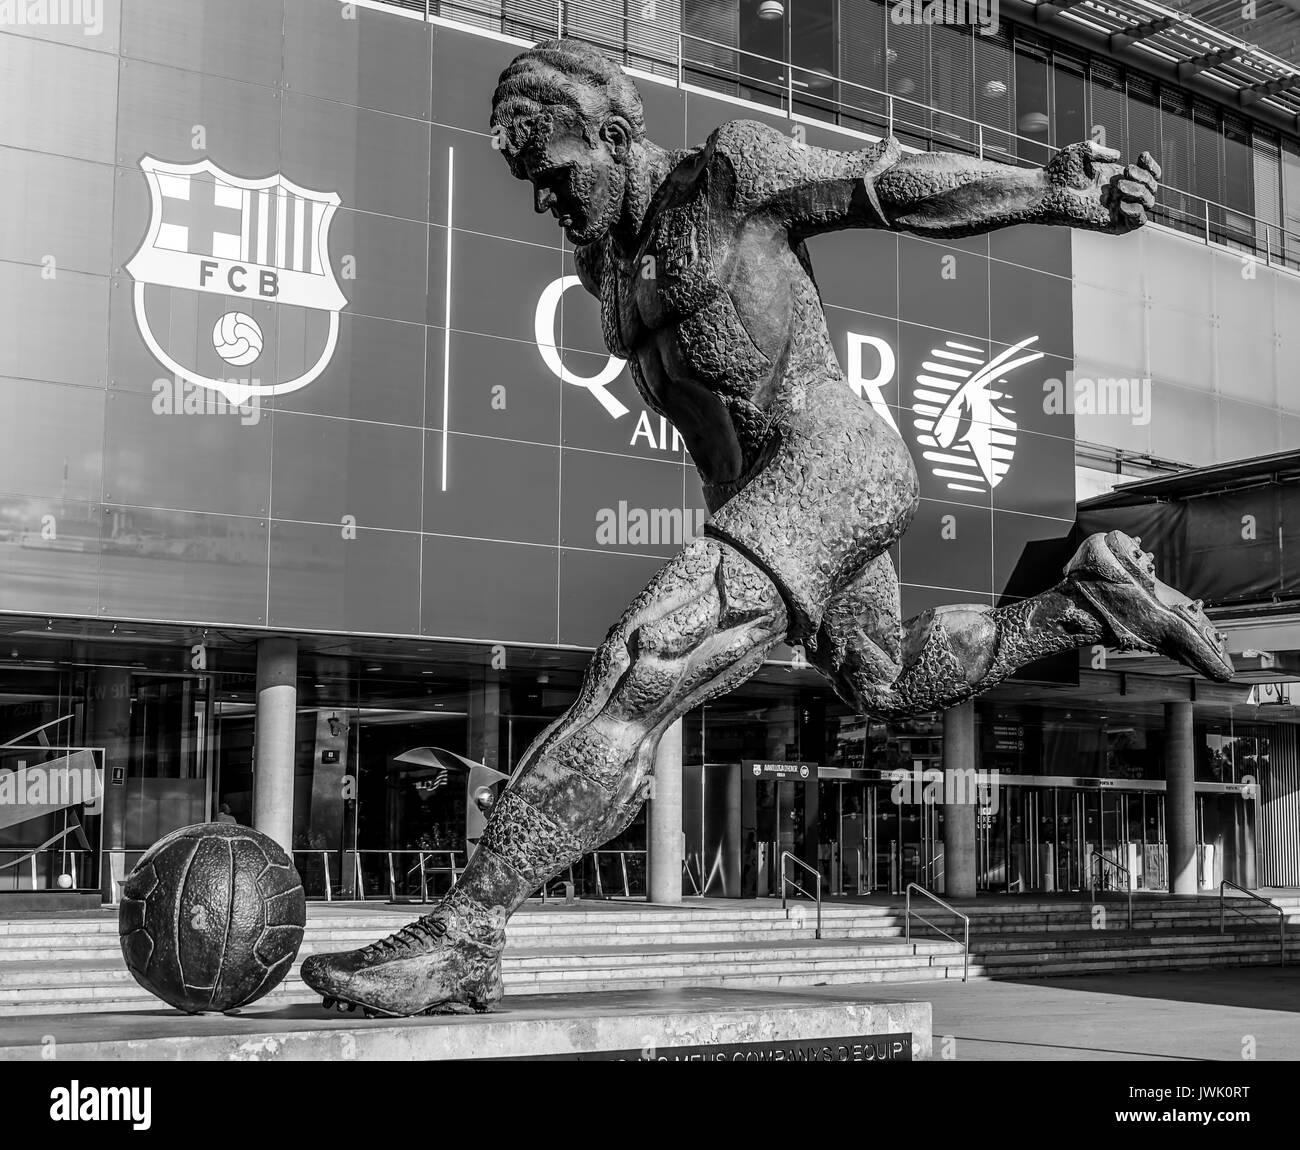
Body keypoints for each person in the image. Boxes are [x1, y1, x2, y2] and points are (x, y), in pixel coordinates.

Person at [301, 39, 1233, 1017]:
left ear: (616, 138)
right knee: (886, 680)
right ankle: (1085, 599)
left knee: (643, 662)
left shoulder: (728, 175)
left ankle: (464, 933)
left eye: (559, 175)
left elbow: (891, 187)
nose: (549, 203)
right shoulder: (607, 269)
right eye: (531, 186)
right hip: (782, 503)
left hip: (831, 467)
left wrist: (1048, 187)